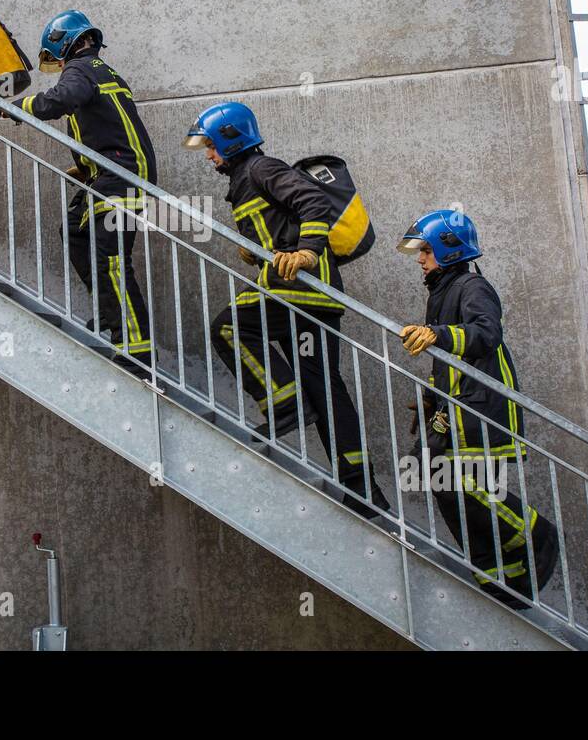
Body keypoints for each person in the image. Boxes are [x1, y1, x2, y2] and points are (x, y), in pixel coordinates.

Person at [185, 101, 388, 518]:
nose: (207, 155)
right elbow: (282, 225)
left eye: (210, 146)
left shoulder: (261, 169)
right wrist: (256, 251)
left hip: (300, 291)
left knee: (228, 329)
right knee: (328, 393)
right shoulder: (247, 178)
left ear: (229, 139)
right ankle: (364, 493)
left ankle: (284, 403)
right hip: (310, 297)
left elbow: (313, 204)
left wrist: (308, 252)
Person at [397, 209, 557, 607]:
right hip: (454, 410)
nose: (420, 259)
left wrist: (437, 333)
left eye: (426, 251)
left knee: (466, 487)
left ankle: (537, 535)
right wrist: (430, 400)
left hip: (481, 409)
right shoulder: (440, 292)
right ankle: (500, 580)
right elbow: (447, 361)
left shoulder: (471, 286)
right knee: (438, 480)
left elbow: (485, 334)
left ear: (449, 251)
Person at [0, 10, 155, 360]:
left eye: (55, 57)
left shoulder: (79, 69)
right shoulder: (102, 70)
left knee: (111, 261)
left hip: (120, 178)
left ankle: (137, 349)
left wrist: (16, 107)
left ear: (64, 43)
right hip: (110, 174)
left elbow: (61, 100)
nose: (57, 64)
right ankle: (114, 315)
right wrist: (85, 167)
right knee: (75, 231)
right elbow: (107, 125)